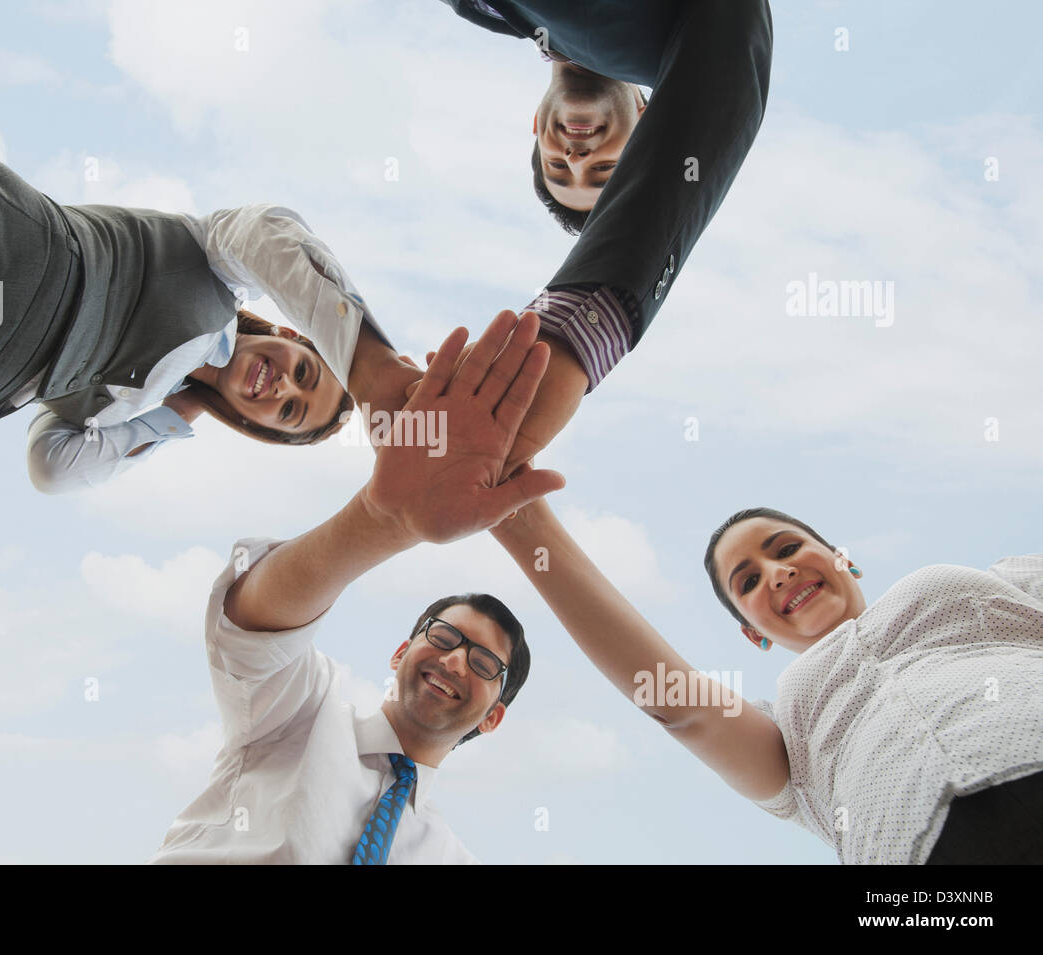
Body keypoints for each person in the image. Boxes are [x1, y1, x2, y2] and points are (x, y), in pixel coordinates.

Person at [0, 16, 422, 475]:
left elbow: (53, 468)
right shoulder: (216, 268)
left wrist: (177, 413)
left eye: (290, 411)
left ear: (260, 425)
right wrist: (369, 365)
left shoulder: (142, 411)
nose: (283, 387)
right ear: (291, 334)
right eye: (306, 368)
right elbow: (265, 232)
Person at [148, 310, 566, 864]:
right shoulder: (298, 714)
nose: (456, 662)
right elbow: (253, 623)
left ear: (494, 717)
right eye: (443, 637)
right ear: (401, 651)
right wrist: (381, 519)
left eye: (487, 663)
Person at [488, 496, 1043, 863]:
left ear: (844, 559)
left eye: (787, 549)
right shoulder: (785, 735)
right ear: (754, 634)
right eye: (748, 580)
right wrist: (517, 518)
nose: (778, 572)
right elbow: (678, 704)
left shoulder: (983, 584)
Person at [434, 0, 773, 477]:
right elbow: (729, 70)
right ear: (647, 116)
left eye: (558, 166)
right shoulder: (680, 34)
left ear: (538, 124)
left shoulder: (483, 10)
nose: (576, 157)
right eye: (603, 169)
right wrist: (583, 326)